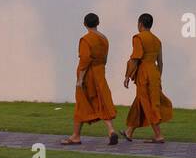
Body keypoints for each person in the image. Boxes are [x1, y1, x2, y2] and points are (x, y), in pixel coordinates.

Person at [62, 13, 118, 145]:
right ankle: (111, 130)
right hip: (100, 72)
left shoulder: (86, 39)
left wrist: (80, 79)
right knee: (102, 102)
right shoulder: (104, 38)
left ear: (84, 24)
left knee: (81, 103)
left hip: (88, 74)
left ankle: (76, 136)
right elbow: (105, 58)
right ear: (98, 22)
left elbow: (85, 59)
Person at [123, 13, 173, 143]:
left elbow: (135, 58)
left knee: (147, 103)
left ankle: (158, 135)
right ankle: (129, 132)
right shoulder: (157, 40)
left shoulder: (138, 38)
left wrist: (127, 75)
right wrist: (158, 76)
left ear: (140, 24)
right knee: (141, 100)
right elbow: (160, 62)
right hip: (154, 72)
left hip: (144, 73)